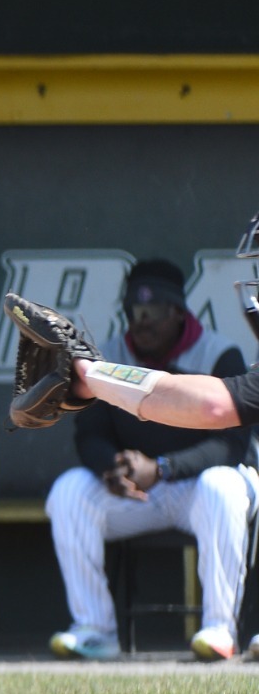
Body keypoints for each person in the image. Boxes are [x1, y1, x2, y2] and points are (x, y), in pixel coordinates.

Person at [37, 260, 256, 662]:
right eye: (135, 312)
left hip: (197, 488)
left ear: (178, 312)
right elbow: (90, 435)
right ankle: (94, 629)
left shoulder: (217, 353)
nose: (142, 322)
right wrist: (112, 468)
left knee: (223, 486)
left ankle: (220, 630)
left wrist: (164, 468)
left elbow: (231, 446)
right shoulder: (110, 355)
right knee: (69, 491)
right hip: (138, 491)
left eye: (153, 312)